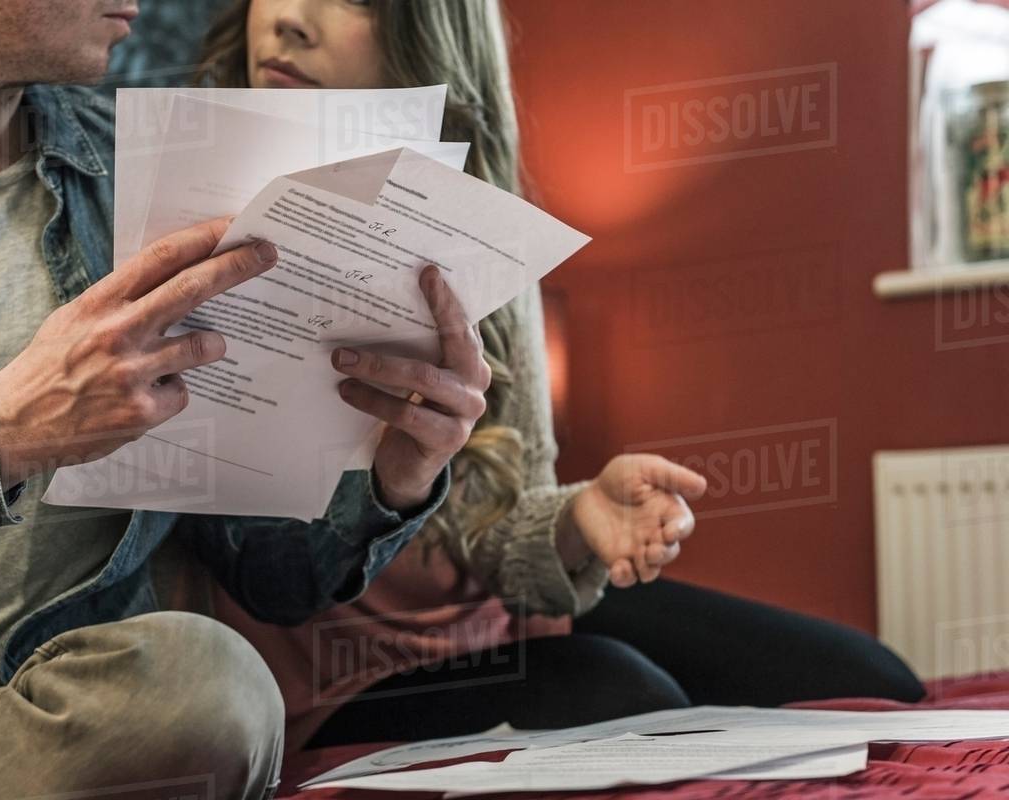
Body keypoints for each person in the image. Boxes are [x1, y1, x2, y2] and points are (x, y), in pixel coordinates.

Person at [196, 0, 928, 753]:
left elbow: (496, 524)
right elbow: (255, 565)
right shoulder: (188, 205)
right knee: (626, 693)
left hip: (491, 629)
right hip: (331, 682)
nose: (289, 18)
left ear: (433, 34)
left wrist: (580, 517)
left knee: (875, 684)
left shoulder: (474, 224)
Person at [0, 0, 493, 796]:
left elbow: (277, 577)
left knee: (207, 689)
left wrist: (393, 476)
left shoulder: (143, 173)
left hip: (50, 737)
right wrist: (2, 432)